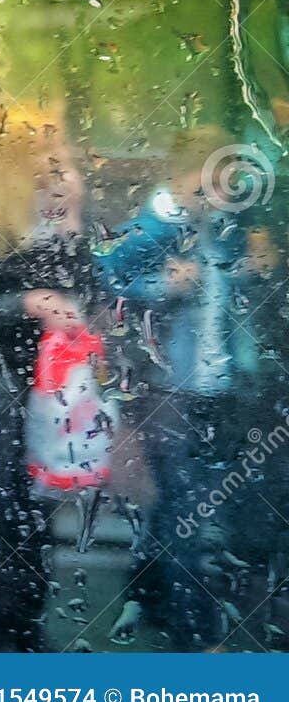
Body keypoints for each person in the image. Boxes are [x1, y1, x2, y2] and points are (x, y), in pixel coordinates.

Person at [97, 125, 253, 651]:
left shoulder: (221, 223)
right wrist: (166, 285)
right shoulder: (159, 218)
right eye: (212, 181)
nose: (222, 192)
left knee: (177, 504)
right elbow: (108, 282)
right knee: (189, 504)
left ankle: (150, 593)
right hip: (166, 389)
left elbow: (228, 294)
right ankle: (197, 636)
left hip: (213, 384)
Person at [0, 104, 92, 652]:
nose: (55, 168)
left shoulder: (60, 221)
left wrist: (74, 220)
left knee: (33, 510)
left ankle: (27, 626)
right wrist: (27, 302)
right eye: (44, 156)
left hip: (48, 388)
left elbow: (92, 298)